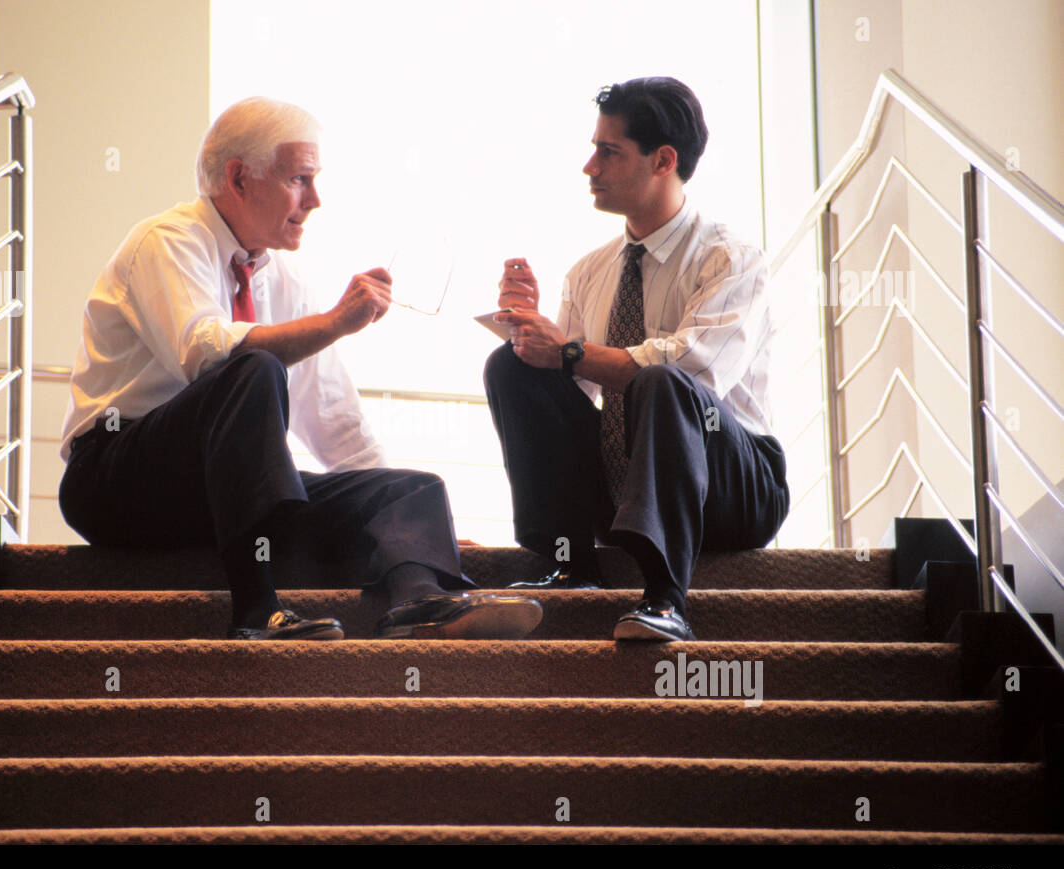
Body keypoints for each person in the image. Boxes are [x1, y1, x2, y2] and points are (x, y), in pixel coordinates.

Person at [59, 97, 540, 640]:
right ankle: (256, 610)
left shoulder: (285, 280)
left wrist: (419, 530)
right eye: (300, 180)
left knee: (409, 488)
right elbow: (206, 353)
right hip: (116, 480)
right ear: (239, 179)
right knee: (252, 368)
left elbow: (335, 421)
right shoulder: (167, 240)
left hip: (226, 499)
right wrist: (335, 322)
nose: (315, 199)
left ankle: (421, 600)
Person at [484, 77, 789, 642]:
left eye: (608, 151)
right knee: (509, 367)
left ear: (663, 160)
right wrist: (528, 335)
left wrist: (568, 351)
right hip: (625, 483)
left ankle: (666, 599)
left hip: (733, 486)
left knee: (663, 382)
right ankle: (571, 563)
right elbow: (569, 390)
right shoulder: (588, 271)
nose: (589, 167)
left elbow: (696, 372)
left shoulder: (730, 257)